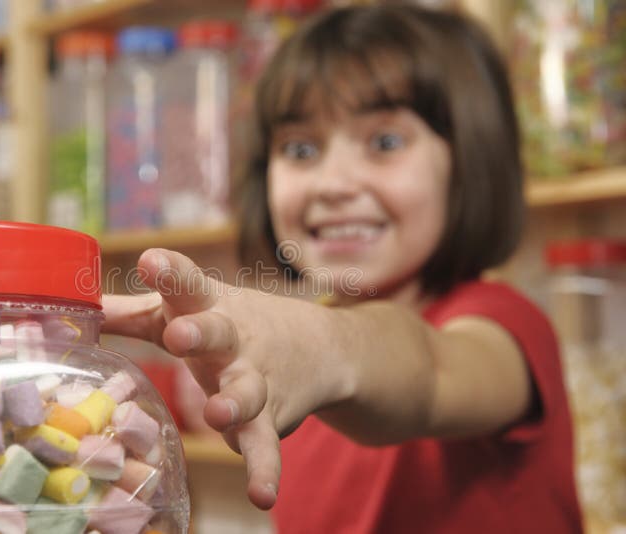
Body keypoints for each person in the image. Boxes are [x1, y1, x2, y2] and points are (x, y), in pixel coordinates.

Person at [102, 4, 583, 533]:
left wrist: (322, 346)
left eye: (385, 142)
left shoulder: (506, 328)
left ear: (469, 161)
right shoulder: (290, 363)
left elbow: (429, 373)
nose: (333, 184)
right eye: (301, 149)